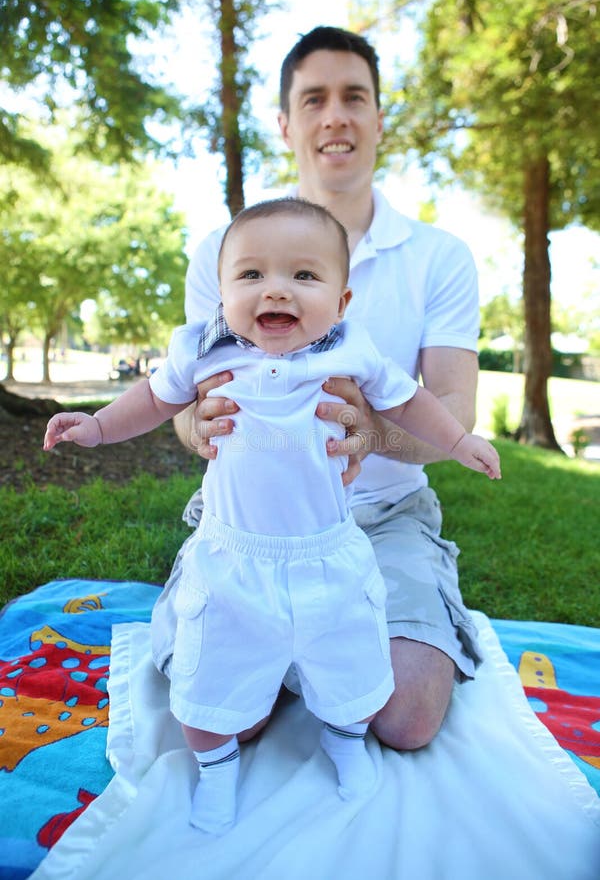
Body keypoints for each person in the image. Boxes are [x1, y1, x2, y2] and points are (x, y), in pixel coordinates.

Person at [44, 198, 500, 835]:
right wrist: (97, 427)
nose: (276, 289)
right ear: (222, 293)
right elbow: (152, 399)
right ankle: (217, 771)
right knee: (211, 688)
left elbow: (410, 402)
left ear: (341, 302)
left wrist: (458, 440)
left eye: (304, 276)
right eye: (251, 275)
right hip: (233, 553)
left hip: (328, 550)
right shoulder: (204, 350)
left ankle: (344, 738)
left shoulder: (351, 351)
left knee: (353, 659)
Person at [171, 26, 486, 752]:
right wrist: (197, 425)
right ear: (286, 124)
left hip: (387, 514)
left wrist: (375, 433)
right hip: (248, 523)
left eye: (354, 97)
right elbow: (186, 408)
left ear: (379, 118)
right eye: (314, 99)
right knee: (225, 718)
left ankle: (318, 645)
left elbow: (455, 408)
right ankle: (293, 645)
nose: (335, 116)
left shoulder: (439, 256)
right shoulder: (221, 252)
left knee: (407, 715)